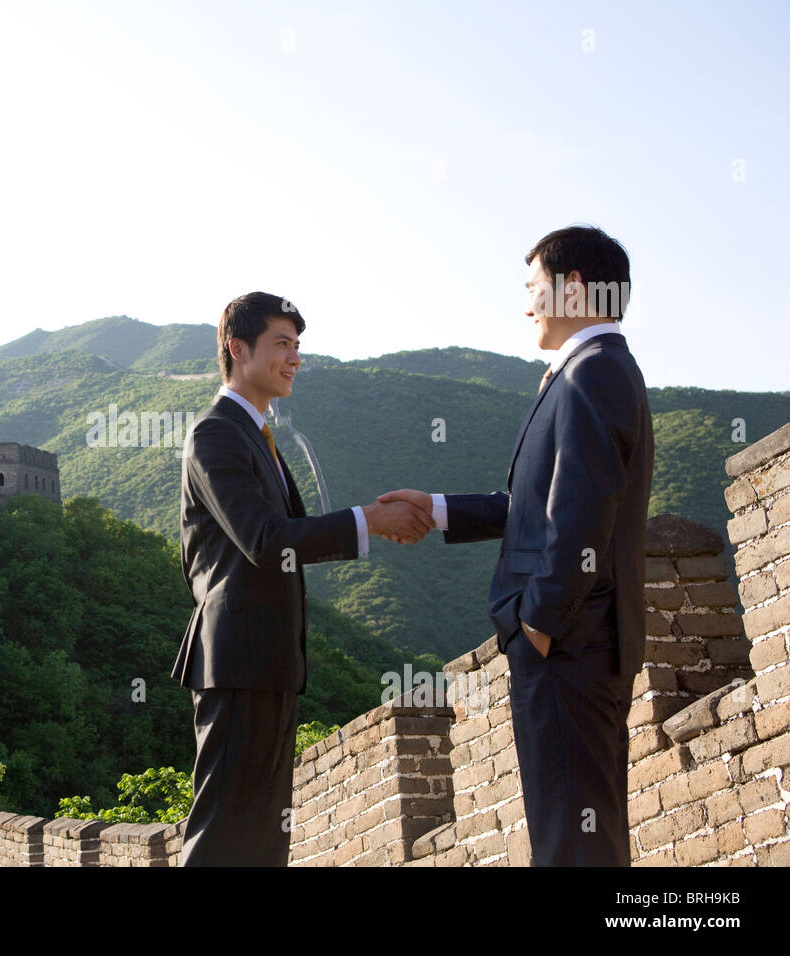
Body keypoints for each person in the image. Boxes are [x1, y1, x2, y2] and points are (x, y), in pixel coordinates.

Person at [379, 225, 653, 865]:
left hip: (569, 645)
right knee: (582, 833)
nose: (527, 305)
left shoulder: (593, 373)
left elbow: (582, 517)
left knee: (570, 842)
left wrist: (539, 624)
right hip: (577, 644)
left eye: (533, 288)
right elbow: (538, 508)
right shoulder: (590, 371)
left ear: (574, 287)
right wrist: (438, 509)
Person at [171, 291, 433, 866]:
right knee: (223, 830)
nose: (295, 359)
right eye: (282, 345)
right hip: (235, 660)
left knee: (264, 837)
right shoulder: (216, 434)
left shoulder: (259, 435)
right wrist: (370, 521)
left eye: (298, 346)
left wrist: (372, 523)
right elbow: (266, 540)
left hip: (269, 661)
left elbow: (289, 534)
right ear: (237, 349)